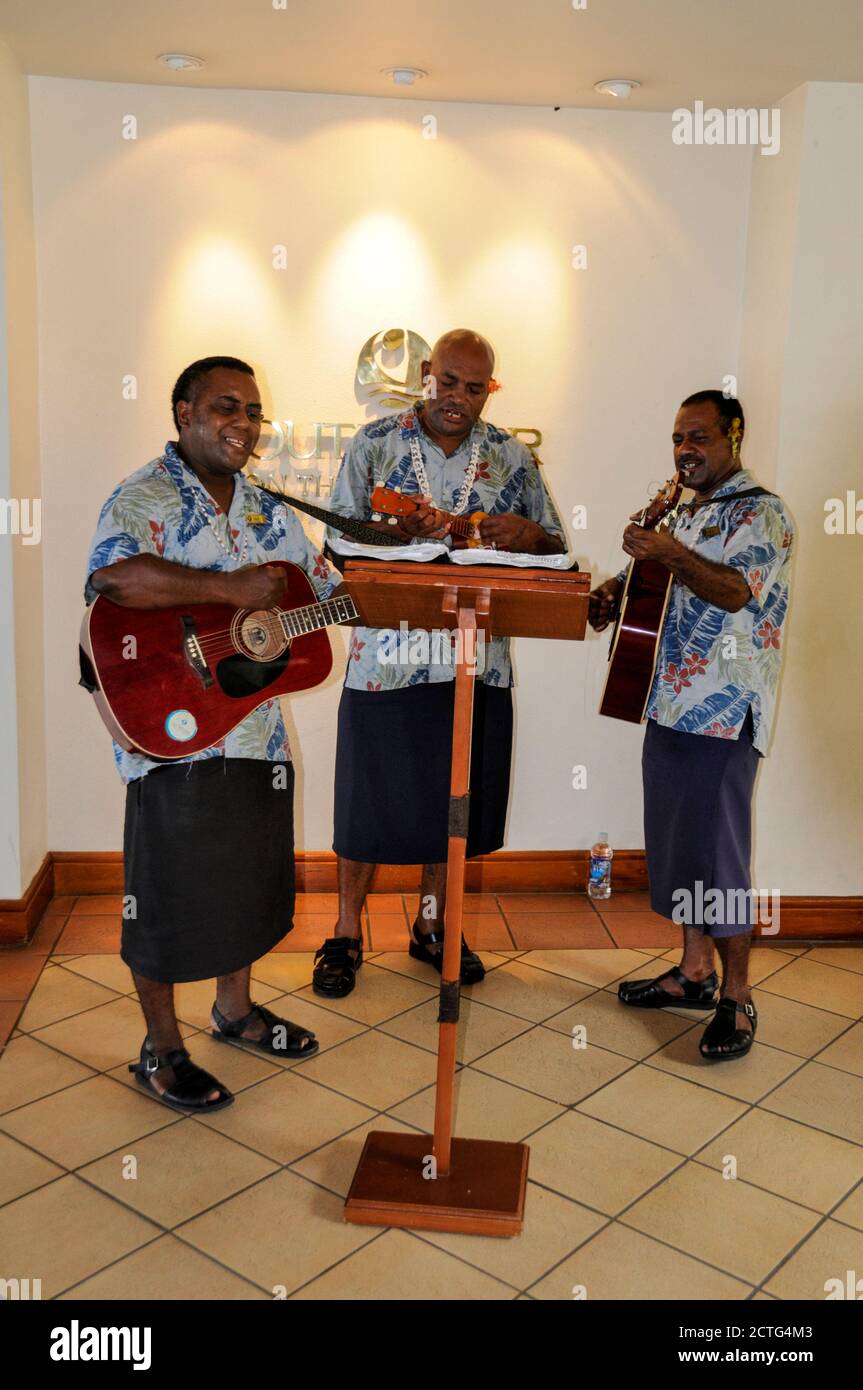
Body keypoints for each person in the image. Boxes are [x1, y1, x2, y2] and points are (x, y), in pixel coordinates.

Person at [86, 356, 344, 1112]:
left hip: (255, 738)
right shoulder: (143, 495)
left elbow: (323, 588)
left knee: (248, 886)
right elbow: (116, 581)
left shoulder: (268, 507)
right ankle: (160, 1049)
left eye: (253, 412)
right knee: (163, 903)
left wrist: (407, 582)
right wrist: (229, 590)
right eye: (225, 407)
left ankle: (233, 1011)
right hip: (170, 736)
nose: (242, 423)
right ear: (183, 413)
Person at [311, 329, 567, 999]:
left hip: (475, 663)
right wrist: (384, 534)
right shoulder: (374, 445)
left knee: (452, 805)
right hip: (384, 660)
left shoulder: (512, 456)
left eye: (473, 388)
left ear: (491, 390)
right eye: (447, 382)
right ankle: (344, 932)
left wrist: (531, 536)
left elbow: (555, 550)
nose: (457, 398)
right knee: (365, 801)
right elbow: (335, 539)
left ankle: (432, 927)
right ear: (426, 374)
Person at [589, 390, 794, 1060]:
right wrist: (610, 594)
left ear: (733, 435)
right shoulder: (683, 510)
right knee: (679, 849)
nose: (685, 450)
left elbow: (735, 590)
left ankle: (736, 998)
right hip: (668, 705)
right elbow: (649, 578)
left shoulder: (761, 512)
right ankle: (692, 971)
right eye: (678, 437)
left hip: (724, 713)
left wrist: (669, 551)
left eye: (699, 436)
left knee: (721, 863)